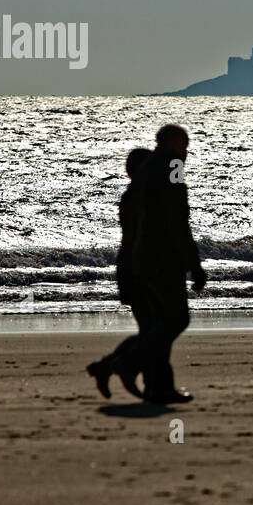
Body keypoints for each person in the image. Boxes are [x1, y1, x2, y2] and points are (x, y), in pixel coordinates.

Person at [128, 123, 207, 404]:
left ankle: (156, 385)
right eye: (183, 145)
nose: (186, 151)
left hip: (145, 257)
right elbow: (177, 219)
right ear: (172, 144)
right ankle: (129, 363)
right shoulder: (171, 166)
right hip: (164, 258)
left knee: (161, 321)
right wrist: (193, 264)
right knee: (174, 319)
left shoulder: (148, 169)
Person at [87, 147, 153, 400]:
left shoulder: (138, 195)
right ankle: (118, 367)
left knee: (151, 330)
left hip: (134, 268)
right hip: (137, 270)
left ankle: (110, 366)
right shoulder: (139, 197)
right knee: (154, 330)